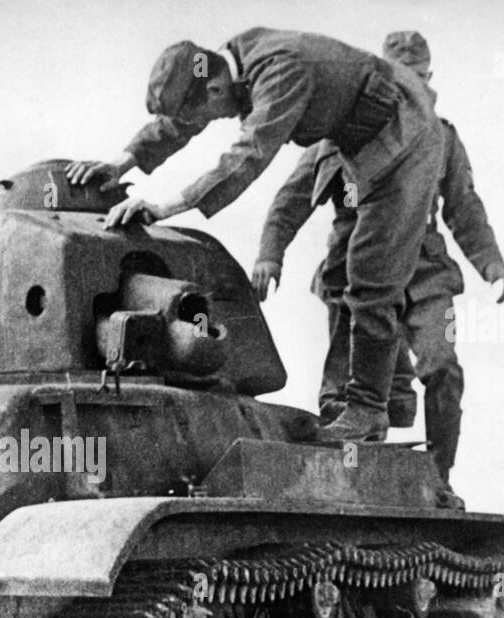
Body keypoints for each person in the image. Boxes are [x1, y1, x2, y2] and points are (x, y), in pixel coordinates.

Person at [67, 29, 445, 443]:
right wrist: (122, 164)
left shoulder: (281, 70)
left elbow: (250, 154)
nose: (210, 122)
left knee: (371, 276)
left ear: (214, 89)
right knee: (346, 277)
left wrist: (163, 207)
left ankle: (370, 409)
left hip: (406, 135)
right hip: (360, 142)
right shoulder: (221, 65)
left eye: (207, 114)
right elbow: (180, 121)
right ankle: (377, 398)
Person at [254, 31, 504, 506]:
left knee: (441, 366)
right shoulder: (338, 137)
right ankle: (342, 486)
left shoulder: (441, 139)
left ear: (429, 81)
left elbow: (464, 207)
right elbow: (288, 202)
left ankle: (438, 476)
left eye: (419, 79)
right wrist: (271, 252)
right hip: (357, 274)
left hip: (424, 272)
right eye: (401, 80)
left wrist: (490, 262)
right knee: (343, 391)